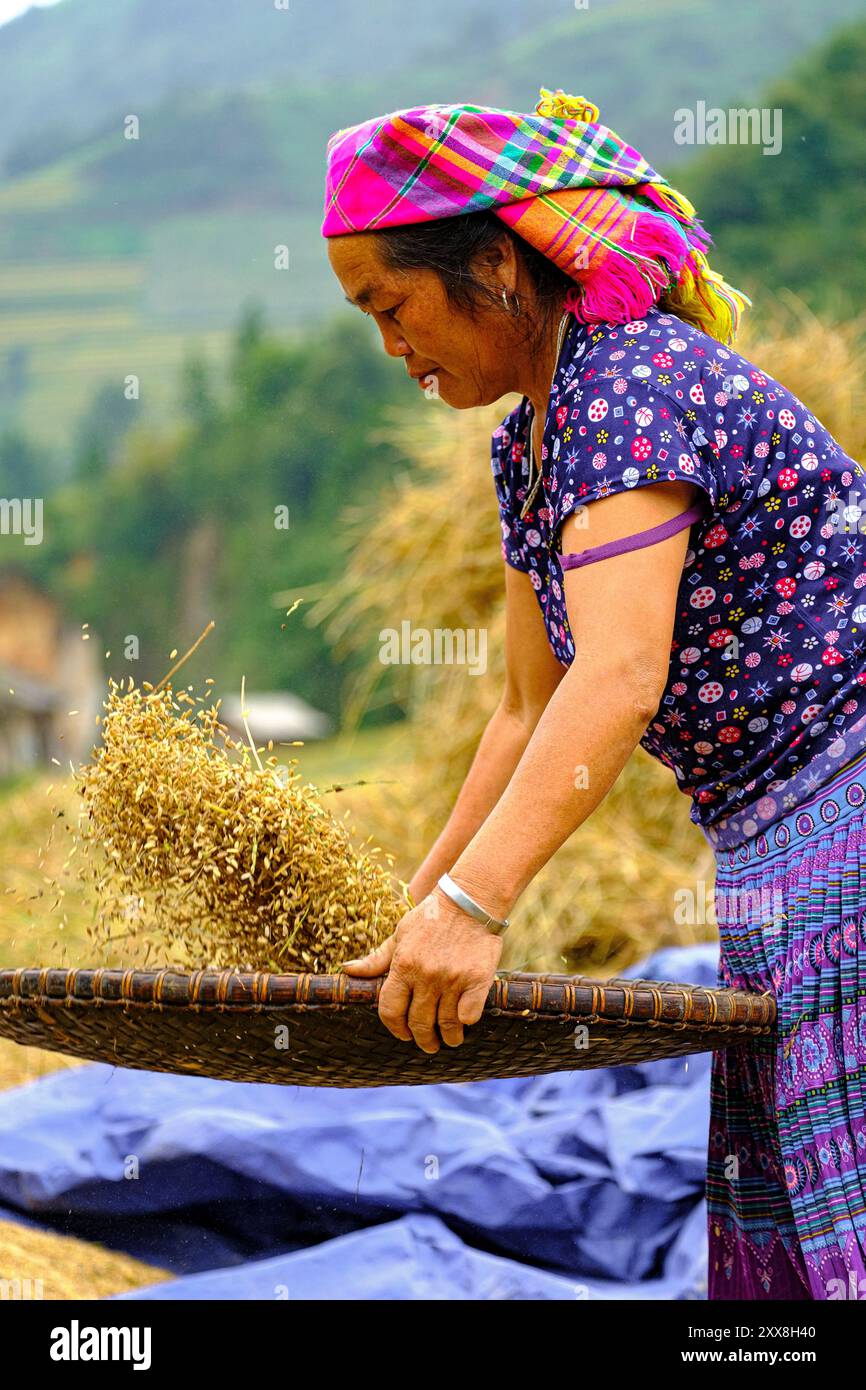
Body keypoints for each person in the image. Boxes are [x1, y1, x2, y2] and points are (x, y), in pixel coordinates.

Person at [321, 88, 866, 1299]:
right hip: (768, 855)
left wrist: (478, 907)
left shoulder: (628, 384)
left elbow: (619, 677)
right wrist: (414, 918)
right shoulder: (532, 443)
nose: (392, 347)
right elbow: (527, 709)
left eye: (393, 306)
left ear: (492, 263)